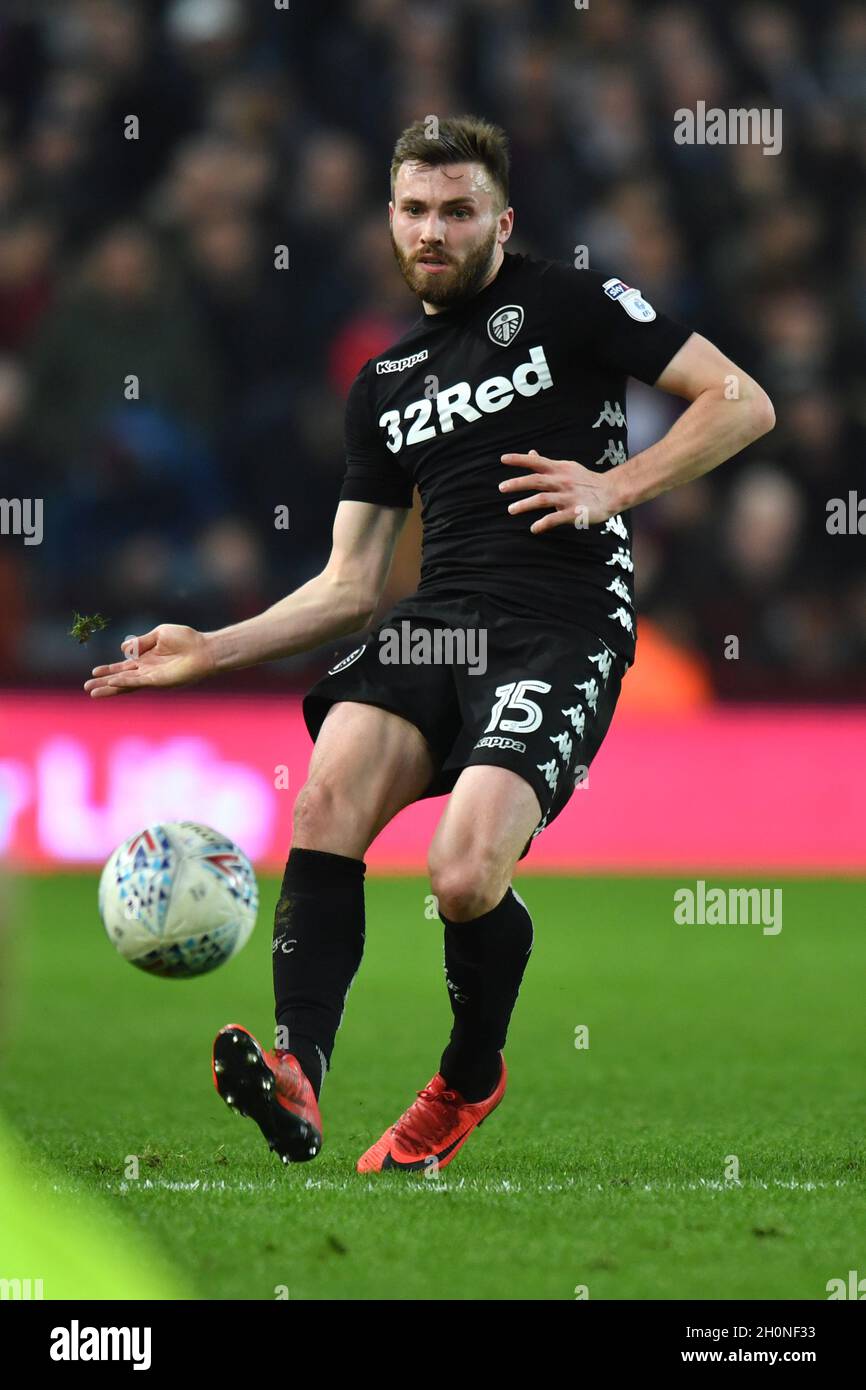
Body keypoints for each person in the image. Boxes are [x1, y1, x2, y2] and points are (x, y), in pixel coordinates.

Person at [84, 115, 775, 1174]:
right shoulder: (386, 382)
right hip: (437, 619)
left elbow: (740, 401)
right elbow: (351, 585)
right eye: (414, 210)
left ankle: (466, 1072)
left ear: (500, 219)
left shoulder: (568, 303)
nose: (433, 230)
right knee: (323, 800)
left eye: (457, 211)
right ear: (390, 221)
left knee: (460, 875)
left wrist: (613, 487)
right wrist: (211, 648)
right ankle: (298, 1069)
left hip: (559, 621)